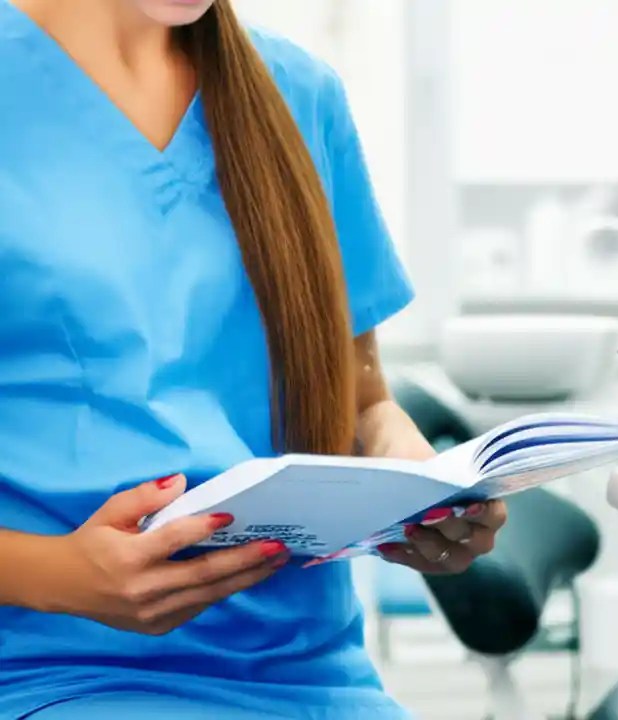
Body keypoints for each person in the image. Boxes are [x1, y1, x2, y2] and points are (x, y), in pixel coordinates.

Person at [0, 0, 507, 717]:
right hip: (58, 671)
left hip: (311, 672)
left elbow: (360, 399)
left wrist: (418, 484)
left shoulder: (300, 94)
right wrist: (56, 576)